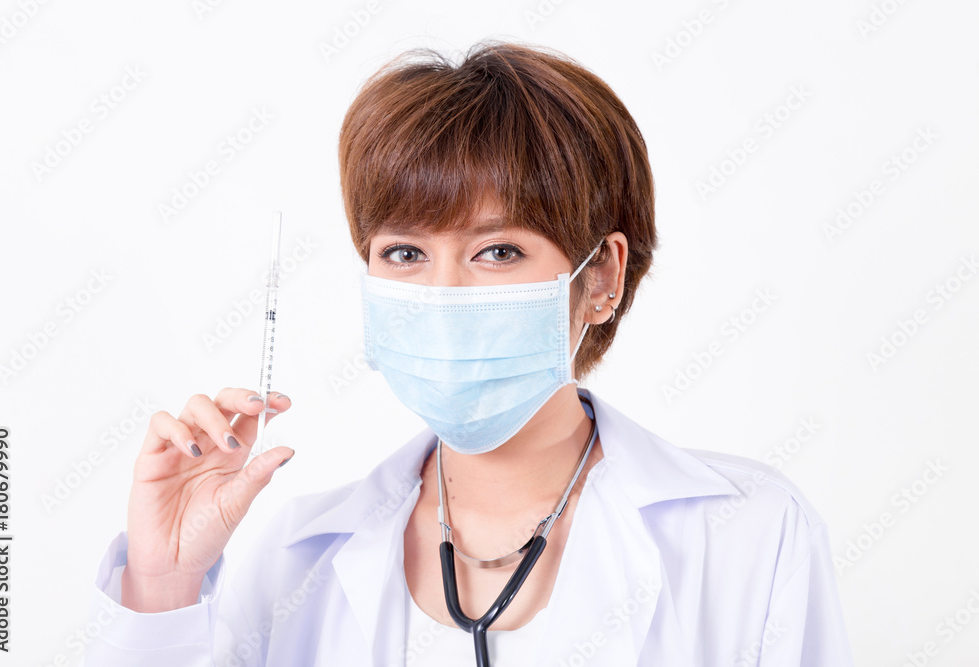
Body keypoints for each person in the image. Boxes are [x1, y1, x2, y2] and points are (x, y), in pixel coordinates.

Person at [83, 41, 854, 666]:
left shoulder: (750, 535)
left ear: (603, 277)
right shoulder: (294, 561)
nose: (445, 293)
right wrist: (163, 583)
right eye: (406, 253)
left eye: (496, 251)